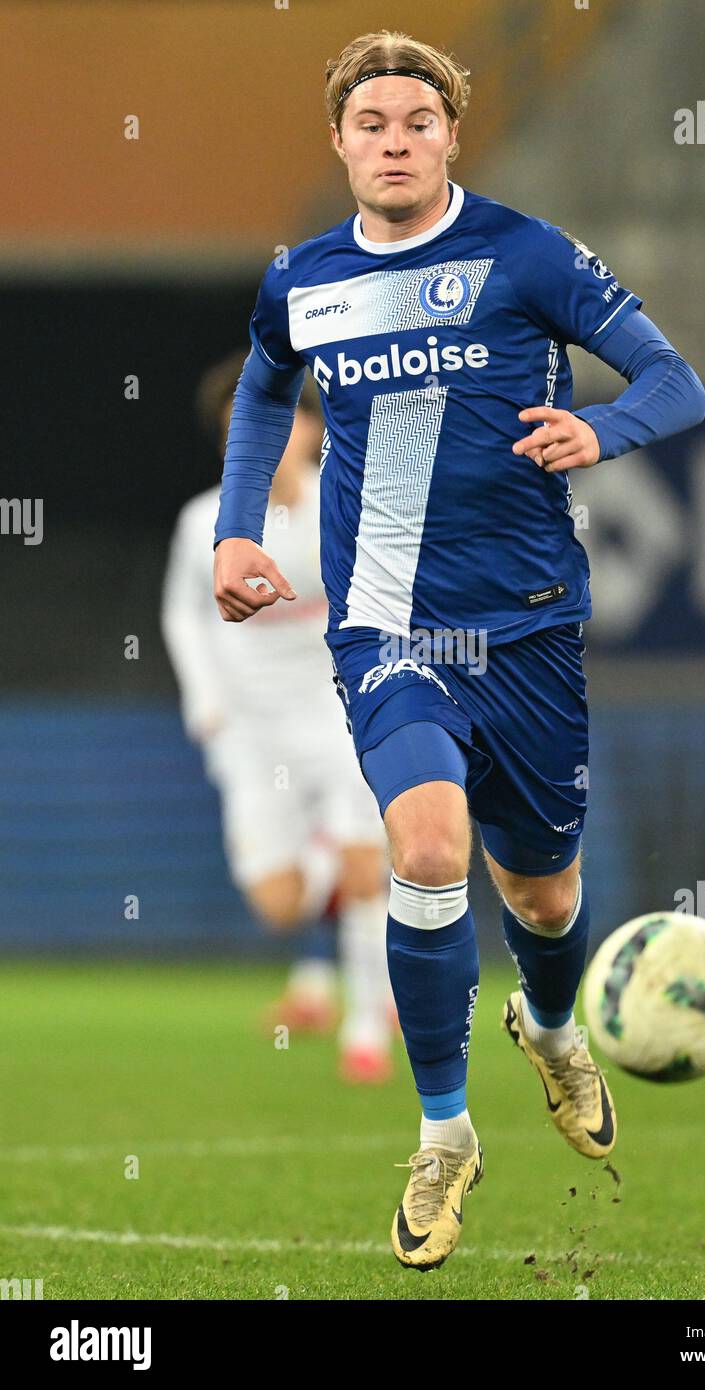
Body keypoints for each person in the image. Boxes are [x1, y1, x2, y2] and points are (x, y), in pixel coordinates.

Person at [212, 29, 705, 1270]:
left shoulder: (524, 255)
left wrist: (607, 430)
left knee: (541, 888)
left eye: (417, 122)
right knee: (426, 847)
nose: (393, 141)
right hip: (385, 626)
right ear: (339, 140)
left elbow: (675, 378)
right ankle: (444, 1133)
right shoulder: (301, 280)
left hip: (530, 622)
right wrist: (234, 532)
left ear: (448, 135)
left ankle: (551, 1026)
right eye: (370, 122)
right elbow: (268, 389)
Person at [163, 352, 395, 1083]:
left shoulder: (344, 498)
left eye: (280, 417)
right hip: (252, 725)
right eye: (244, 423)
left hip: (336, 705)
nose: (263, 434)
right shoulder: (205, 519)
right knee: (278, 902)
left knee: (368, 871)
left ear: (308, 427)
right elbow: (185, 617)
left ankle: (367, 1026)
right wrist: (206, 702)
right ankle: (328, 853)